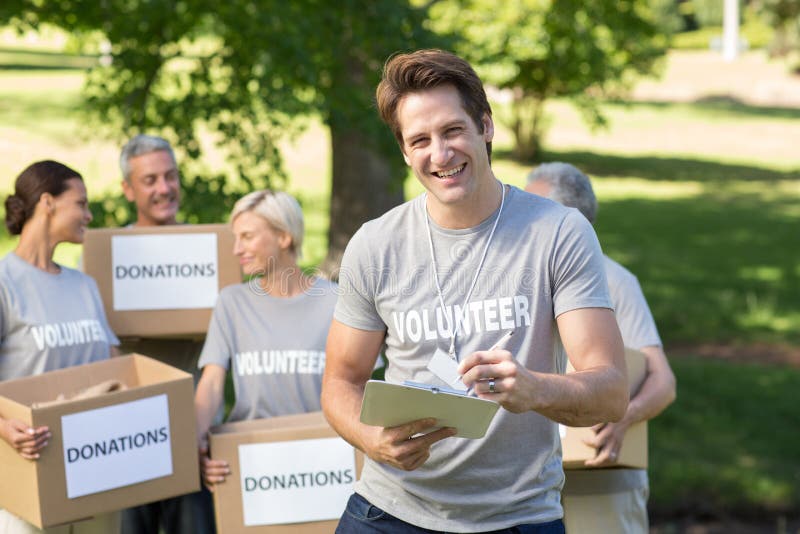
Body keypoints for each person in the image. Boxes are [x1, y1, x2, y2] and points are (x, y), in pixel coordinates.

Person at [321, 49, 629, 533]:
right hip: (389, 511)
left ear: (485, 126)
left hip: (517, 517)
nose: (440, 155)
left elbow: (610, 391)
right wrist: (370, 439)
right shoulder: (375, 244)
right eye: (419, 140)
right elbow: (340, 382)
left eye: (452, 131)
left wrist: (534, 388)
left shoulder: (558, 232)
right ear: (404, 151)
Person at [526, 162, 677, 533]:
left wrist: (626, 415)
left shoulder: (614, 281)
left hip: (602, 482)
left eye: (533, 212)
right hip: (529, 485)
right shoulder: (518, 279)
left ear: (569, 219)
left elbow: (664, 381)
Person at [0, 160, 121, 534]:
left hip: (96, 469)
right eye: (81, 203)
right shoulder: (5, 283)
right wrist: (4, 429)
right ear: (48, 203)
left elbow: (114, 369)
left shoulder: (84, 286)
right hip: (27, 471)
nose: (89, 214)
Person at [194, 190, 339, 490]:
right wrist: (197, 443)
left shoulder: (336, 301)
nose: (236, 249)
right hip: (249, 463)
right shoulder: (231, 303)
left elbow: (358, 385)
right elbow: (211, 383)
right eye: (236, 238)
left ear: (284, 237)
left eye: (247, 236)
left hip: (324, 463)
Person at [116, 134, 215, 534]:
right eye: (150, 180)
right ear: (127, 189)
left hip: (192, 438)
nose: (164, 189)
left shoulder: (206, 254)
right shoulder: (111, 258)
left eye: (170, 177)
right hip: (127, 440)